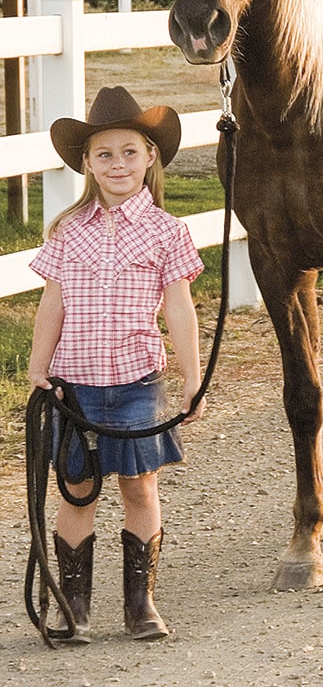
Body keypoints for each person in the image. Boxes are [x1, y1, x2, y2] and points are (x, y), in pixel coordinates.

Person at [28, 86, 206, 644]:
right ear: (86, 163)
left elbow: (179, 306)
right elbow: (52, 301)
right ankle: (72, 607)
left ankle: (140, 604)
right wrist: (38, 366)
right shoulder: (67, 229)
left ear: (150, 156)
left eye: (129, 151)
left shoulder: (167, 231)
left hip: (137, 380)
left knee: (139, 486)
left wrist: (192, 376)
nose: (117, 164)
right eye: (104, 154)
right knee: (76, 489)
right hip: (73, 384)